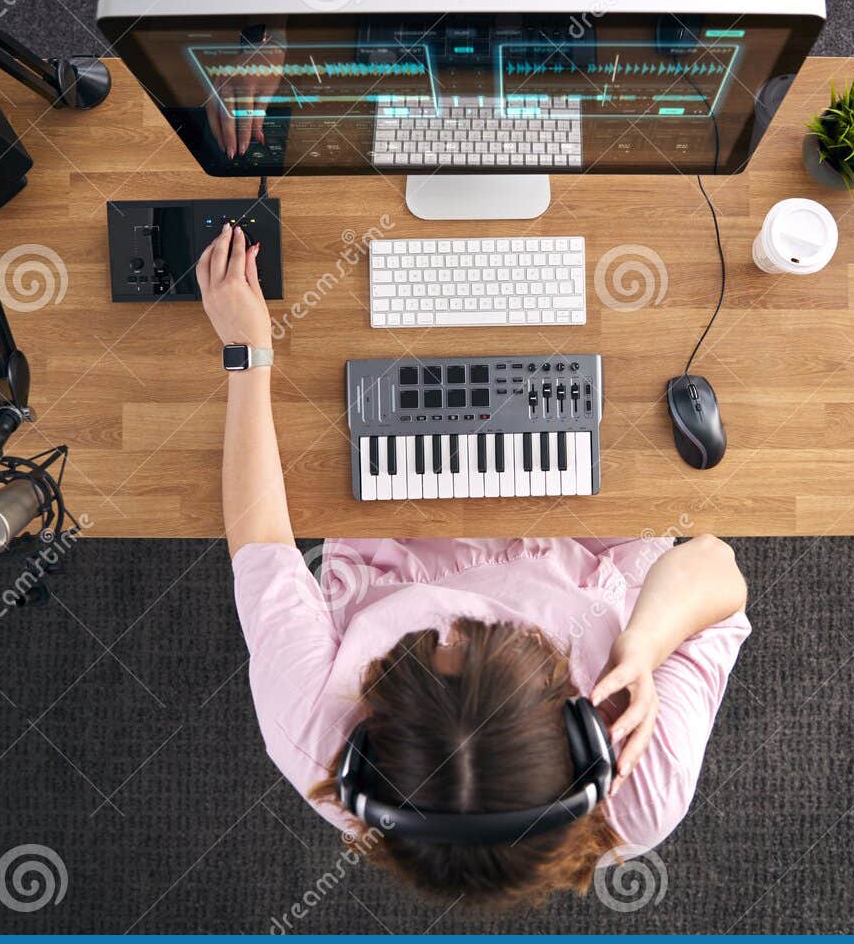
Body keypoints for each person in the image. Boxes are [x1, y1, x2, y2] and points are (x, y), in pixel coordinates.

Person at [197, 223, 750, 908]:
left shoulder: (319, 738)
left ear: (370, 732)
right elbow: (715, 564)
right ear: (581, 735)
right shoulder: (641, 780)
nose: (461, 614)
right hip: (591, 537)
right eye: (499, 642)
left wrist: (247, 351)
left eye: (432, 647)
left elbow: (262, 545)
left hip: (391, 533)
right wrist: (645, 643)